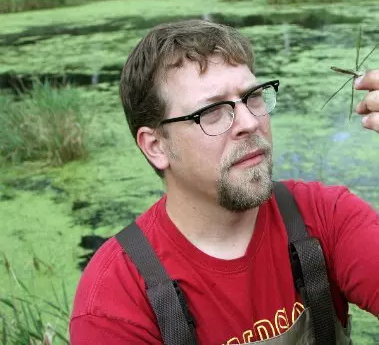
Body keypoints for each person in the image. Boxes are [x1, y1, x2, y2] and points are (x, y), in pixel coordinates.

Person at [69, 19, 379, 344]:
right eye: (213, 110)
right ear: (156, 146)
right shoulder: (114, 298)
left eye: (253, 96)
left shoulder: (325, 216)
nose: (249, 122)